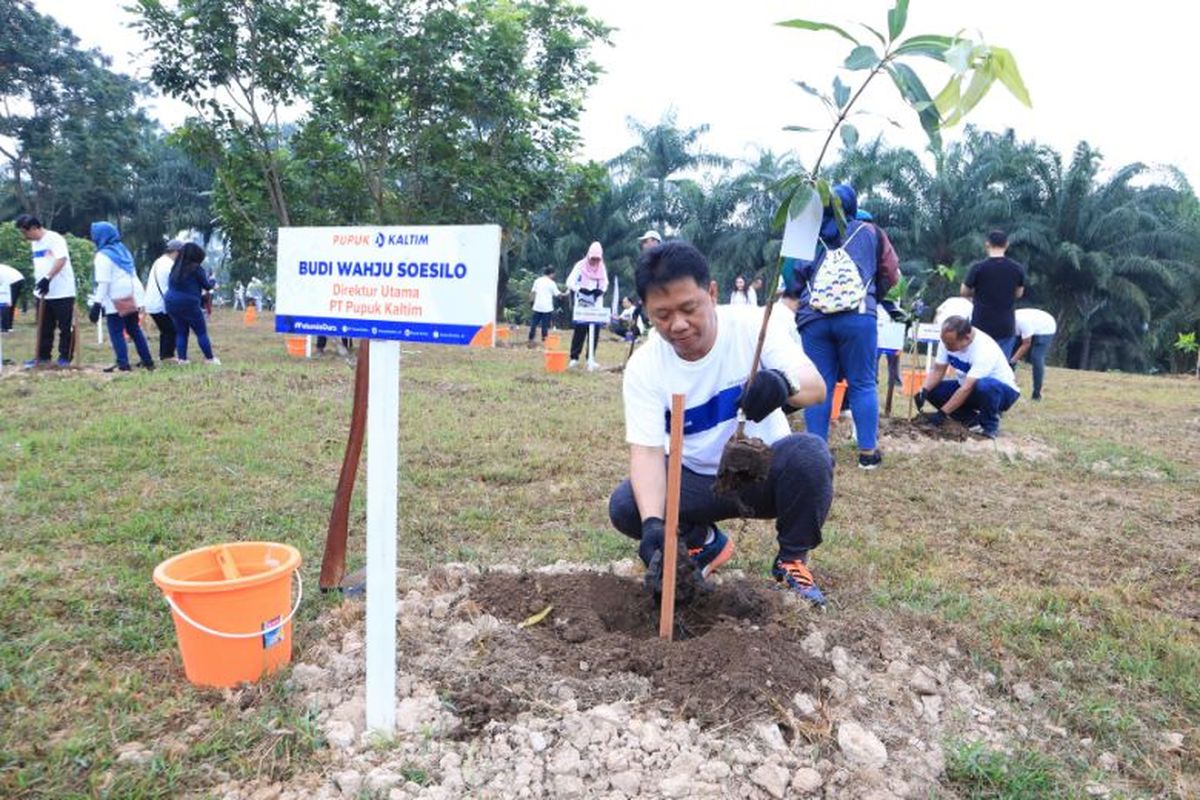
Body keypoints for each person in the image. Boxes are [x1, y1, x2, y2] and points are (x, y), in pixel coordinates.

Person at [607, 241, 833, 605]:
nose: (677, 325)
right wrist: (652, 526)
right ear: (647, 312)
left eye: (688, 308)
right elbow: (648, 453)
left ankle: (792, 560)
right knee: (627, 505)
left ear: (711, 292)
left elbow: (816, 387)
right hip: (696, 483)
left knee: (810, 455)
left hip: (763, 474)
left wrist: (781, 384)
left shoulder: (751, 328)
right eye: (662, 315)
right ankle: (703, 543)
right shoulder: (646, 366)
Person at [786, 184, 900, 470]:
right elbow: (891, 273)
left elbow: (793, 278)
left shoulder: (808, 234)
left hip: (814, 320)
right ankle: (867, 454)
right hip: (858, 317)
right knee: (862, 383)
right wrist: (872, 296)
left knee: (819, 384)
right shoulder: (870, 232)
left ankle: (818, 452)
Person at [915, 315, 1020, 438]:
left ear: (967, 337)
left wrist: (942, 414)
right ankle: (972, 421)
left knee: (985, 385)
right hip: (970, 388)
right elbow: (938, 370)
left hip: (1002, 392)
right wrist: (924, 390)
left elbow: (966, 388)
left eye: (951, 344)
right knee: (933, 391)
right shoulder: (947, 340)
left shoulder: (984, 350)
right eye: (944, 342)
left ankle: (989, 426)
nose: (946, 347)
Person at [89, 222, 155, 373]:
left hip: (117, 297)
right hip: (132, 295)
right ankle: (148, 361)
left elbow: (104, 283)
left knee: (116, 331)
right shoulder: (123, 250)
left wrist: (97, 304)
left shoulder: (103, 255)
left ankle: (123, 364)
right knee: (134, 329)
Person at [16, 214, 76, 368]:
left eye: (25, 232)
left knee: (65, 326)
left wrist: (48, 278)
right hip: (43, 292)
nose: (25, 236)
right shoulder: (35, 243)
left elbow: (61, 260)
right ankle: (43, 357)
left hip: (62, 292)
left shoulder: (54, 239)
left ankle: (65, 357)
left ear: (35, 228)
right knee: (44, 326)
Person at [961, 229, 1026, 358]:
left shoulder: (978, 267)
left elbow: (964, 291)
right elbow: (1019, 294)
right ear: (1007, 244)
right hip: (1005, 325)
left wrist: (977, 293)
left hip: (981, 324)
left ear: (987, 244)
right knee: (1000, 367)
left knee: (978, 363)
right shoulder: (1017, 268)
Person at [165, 242, 220, 365]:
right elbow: (206, 285)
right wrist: (213, 281)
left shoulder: (175, 268)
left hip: (171, 302)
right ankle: (210, 359)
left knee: (181, 332)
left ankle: (182, 359)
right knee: (200, 331)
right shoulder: (196, 269)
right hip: (188, 303)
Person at [565, 241, 609, 367]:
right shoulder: (580, 265)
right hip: (583, 302)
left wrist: (599, 291)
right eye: (592, 259)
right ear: (589, 256)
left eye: (597, 259)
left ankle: (591, 358)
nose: (594, 261)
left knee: (594, 331)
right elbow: (569, 282)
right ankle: (574, 357)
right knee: (580, 329)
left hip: (596, 302)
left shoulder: (602, 267)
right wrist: (579, 289)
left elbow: (605, 283)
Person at [144, 239, 181, 362]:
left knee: (166, 330)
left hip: (153, 303)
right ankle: (167, 356)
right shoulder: (169, 265)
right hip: (160, 304)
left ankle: (164, 355)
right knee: (171, 329)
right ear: (176, 252)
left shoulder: (159, 262)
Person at [1011, 307, 1057, 401]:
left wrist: (1012, 361)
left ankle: (1036, 394)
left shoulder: (1022, 322)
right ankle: (1009, 388)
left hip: (1045, 328)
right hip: (1030, 325)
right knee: (1010, 355)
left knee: (1036, 357)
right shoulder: (1006, 322)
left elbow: (1026, 344)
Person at [527, 266, 562, 344]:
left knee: (534, 324)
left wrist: (531, 302)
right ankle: (544, 340)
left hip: (537, 306)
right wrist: (565, 294)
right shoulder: (552, 283)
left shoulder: (537, 281)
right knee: (545, 325)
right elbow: (558, 294)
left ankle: (530, 338)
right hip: (547, 308)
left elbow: (532, 293)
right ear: (552, 274)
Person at [0, 262, 24, 333]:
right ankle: (9, 327)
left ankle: (4, 328)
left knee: (4, 303)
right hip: (19, 279)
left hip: (11, 281)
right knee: (10, 304)